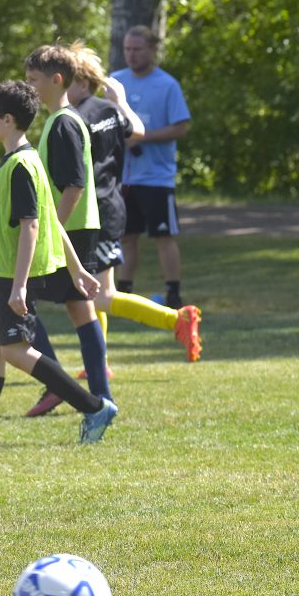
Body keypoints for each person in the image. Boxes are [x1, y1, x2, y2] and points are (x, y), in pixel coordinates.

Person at [0, 80, 117, 448]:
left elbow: (33, 226)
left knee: (15, 351)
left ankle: (94, 407)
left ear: (8, 120)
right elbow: (52, 220)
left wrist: (20, 286)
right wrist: (76, 268)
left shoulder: (23, 166)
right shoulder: (16, 160)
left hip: (11, 276)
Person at [67, 41, 202, 366]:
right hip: (108, 207)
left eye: (63, 80)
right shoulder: (106, 110)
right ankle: (97, 364)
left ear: (82, 83)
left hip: (96, 212)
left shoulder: (76, 117)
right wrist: (122, 102)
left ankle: (177, 319)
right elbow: (137, 130)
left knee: (101, 296)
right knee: (94, 294)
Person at [22, 43, 114, 418]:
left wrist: (53, 230)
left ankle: (58, 384)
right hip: (78, 228)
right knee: (81, 310)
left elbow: (74, 185)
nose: (29, 87)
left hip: (68, 230)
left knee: (18, 300)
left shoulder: (63, 123)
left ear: (56, 80)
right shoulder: (61, 120)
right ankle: (101, 397)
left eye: (33, 80)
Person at [111, 25, 191, 309]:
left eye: (137, 49)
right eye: (127, 49)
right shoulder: (115, 82)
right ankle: (123, 293)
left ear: (152, 49)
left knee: (163, 236)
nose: (131, 55)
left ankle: (173, 293)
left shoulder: (167, 85)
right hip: (124, 178)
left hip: (157, 177)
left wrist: (142, 136)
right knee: (126, 237)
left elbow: (181, 127)